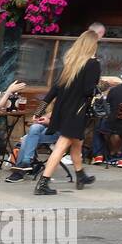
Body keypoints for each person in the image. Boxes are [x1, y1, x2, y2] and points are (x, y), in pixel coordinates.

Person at [35, 29, 103, 195]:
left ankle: (80, 176)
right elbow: (88, 90)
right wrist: (101, 84)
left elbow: (54, 89)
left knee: (76, 143)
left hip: (63, 110)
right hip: (76, 112)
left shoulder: (71, 63)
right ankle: (42, 183)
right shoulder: (93, 64)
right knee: (61, 146)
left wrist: (39, 110)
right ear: (93, 45)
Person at [4, 117, 59, 182]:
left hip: (59, 131)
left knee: (26, 139)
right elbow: (40, 113)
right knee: (34, 128)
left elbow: (67, 121)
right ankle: (27, 161)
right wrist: (37, 119)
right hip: (45, 127)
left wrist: (50, 121)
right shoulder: (44, 106)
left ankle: (20, 169)